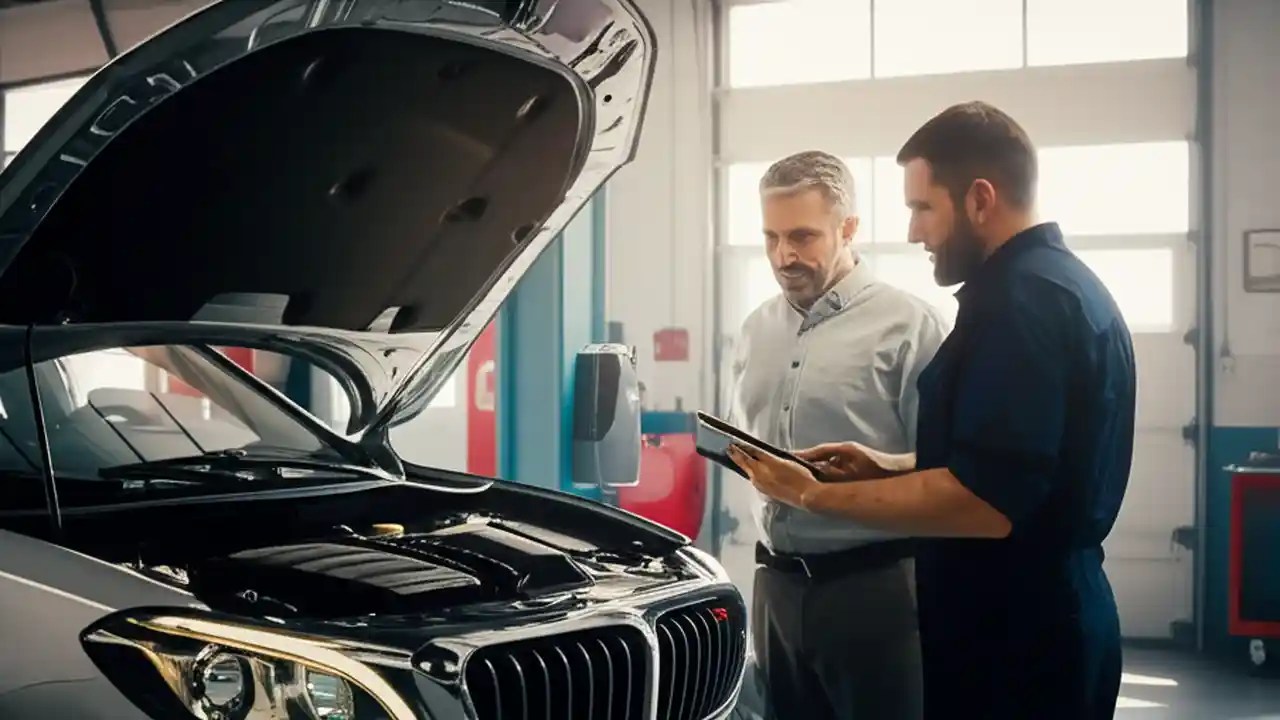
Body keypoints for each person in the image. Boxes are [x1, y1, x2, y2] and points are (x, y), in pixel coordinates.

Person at [728, 102, 1136, 720]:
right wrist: (887, 468)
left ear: (979, 199)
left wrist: (812, 494)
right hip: (1032, 616)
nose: (915, 231)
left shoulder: (1018, 308)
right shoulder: (1053, 287)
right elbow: (1008, 462)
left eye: (922, 208)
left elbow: (987, 502)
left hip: (1018, 634)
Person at [725, 150, 948, 720]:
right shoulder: (755, 330)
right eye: (771, 236)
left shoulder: (910, 327)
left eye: (802, 235)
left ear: (849, 228)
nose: (784, 255)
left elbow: (946, 471)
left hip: (875, 593)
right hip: (773, 588)